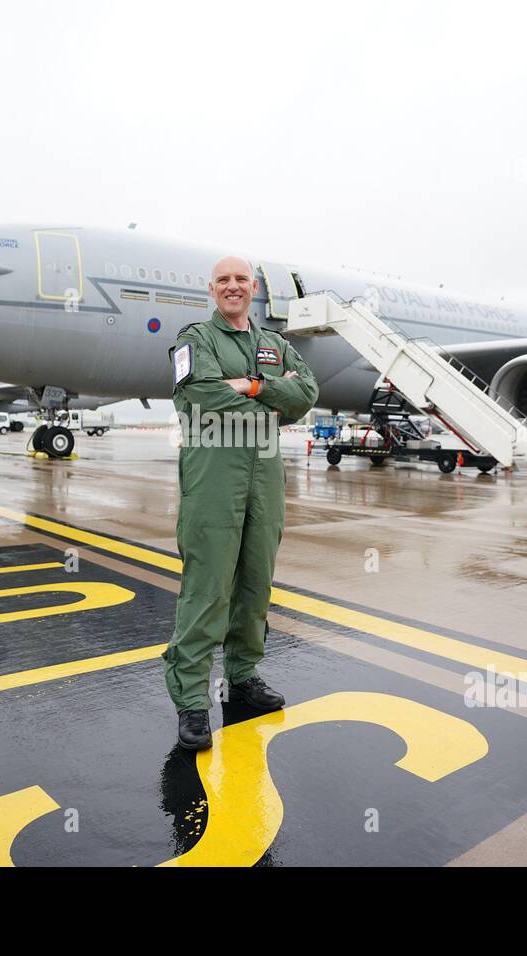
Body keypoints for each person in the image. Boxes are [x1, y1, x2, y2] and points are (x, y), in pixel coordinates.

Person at [164, 255, 319, 749]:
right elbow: (202, 395)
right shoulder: (196, 339)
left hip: (265, 477)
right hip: (214, 477)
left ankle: (243, 676)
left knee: (255, 584)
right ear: (211, 289)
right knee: (207, 588)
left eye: (240, 280)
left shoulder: (274, 344)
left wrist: (251, 384)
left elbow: (308, 393)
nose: (233, 287)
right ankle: (191, 702)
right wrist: (276, 396)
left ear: (254, 288)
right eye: (223, 281)